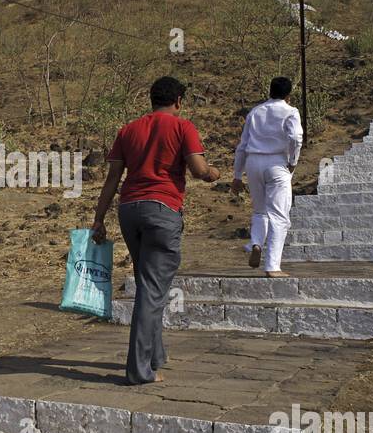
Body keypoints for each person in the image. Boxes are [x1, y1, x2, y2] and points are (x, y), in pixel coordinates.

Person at [91, 76, 221, 385]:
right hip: (162, 210)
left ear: (152, 100)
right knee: (151, 290)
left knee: (148, 284)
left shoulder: (128, 130)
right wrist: (213, 173)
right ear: (178, 100)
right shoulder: (182, 127)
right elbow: (199, 169)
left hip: (129, 210)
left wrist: (98, 219)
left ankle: (155, 356)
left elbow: (112, 179)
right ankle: (139, 370)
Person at [231, 76, 304, 278]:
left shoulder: (255, 112)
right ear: (289, 95)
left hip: (253, 162)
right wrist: (293, 160)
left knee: (260, 210)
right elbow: (296, 137)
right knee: (279, 215)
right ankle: (272, 266)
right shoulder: (290, 112)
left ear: (269, 91)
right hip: (276, 162)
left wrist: (237, 175)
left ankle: (255, 243)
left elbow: (242, 146)